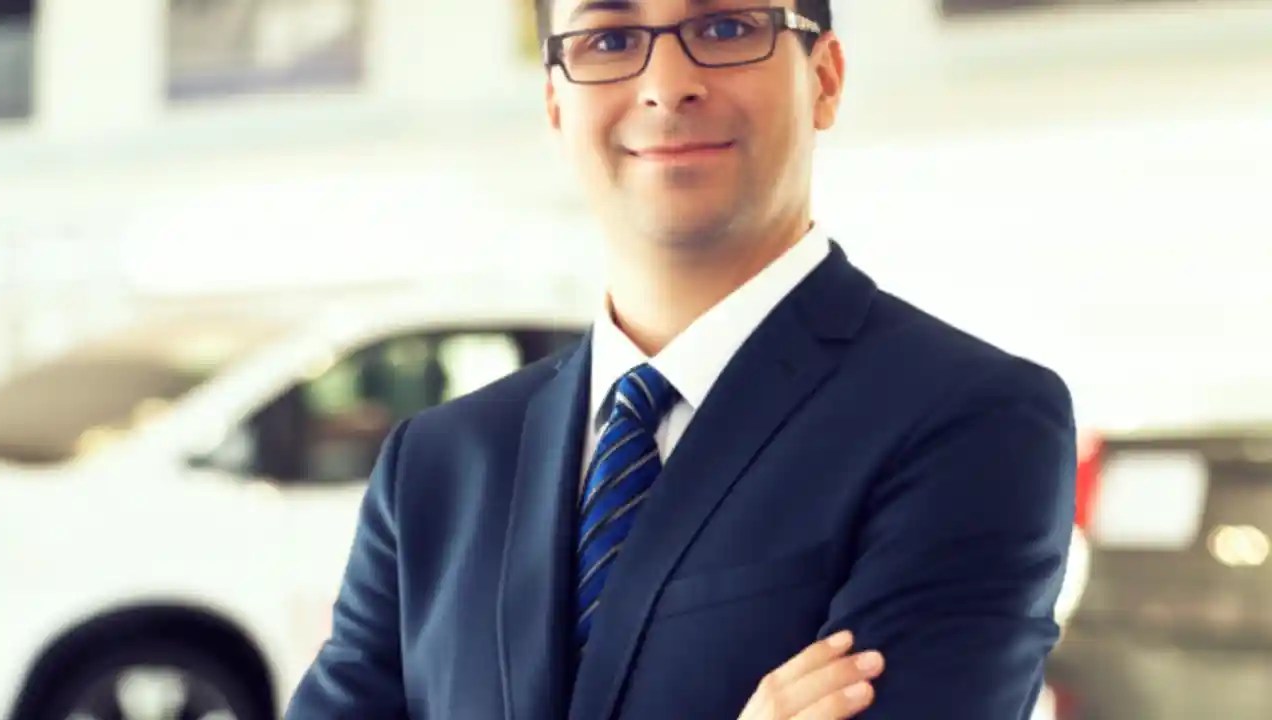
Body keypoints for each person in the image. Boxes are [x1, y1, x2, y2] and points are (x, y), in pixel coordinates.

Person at [287, 0, 1077, 718]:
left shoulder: (973, 423)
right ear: (557, 104)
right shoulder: (435, 467)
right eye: (610, 38)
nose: (667, 84)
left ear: (825, 78)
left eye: (726, 28)